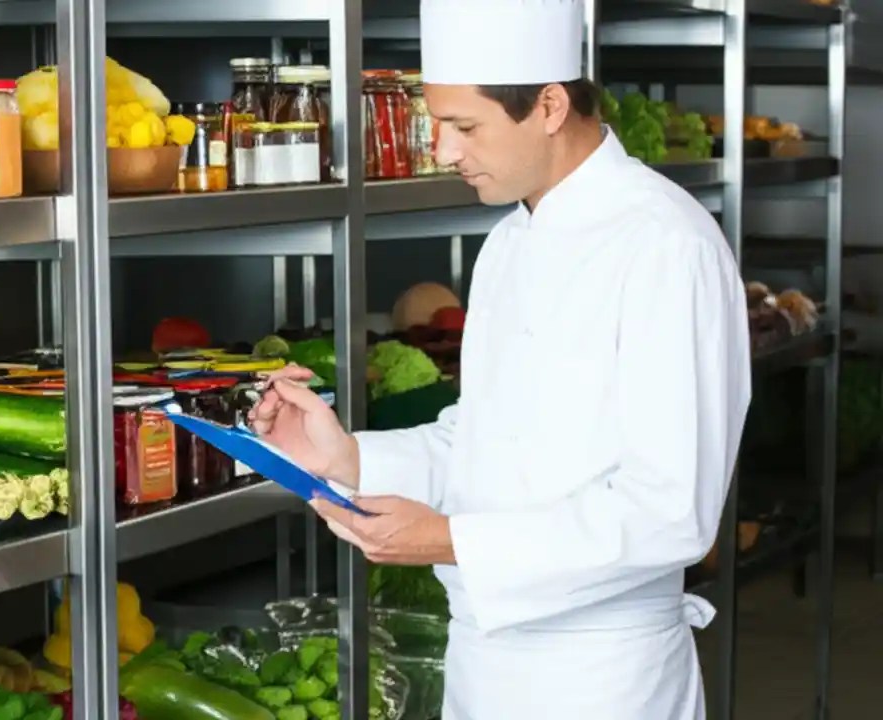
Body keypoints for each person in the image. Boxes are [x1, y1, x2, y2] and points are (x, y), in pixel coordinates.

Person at [248, 0, 753, 717]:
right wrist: (348, 456)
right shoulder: (511, 242)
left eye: (465, 127)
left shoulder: (668, 245)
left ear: (549, 105)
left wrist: (450, 541)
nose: (444, 152)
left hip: (601, 676)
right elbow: (485, 439)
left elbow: (673, 509)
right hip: (484, 663)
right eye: (438, 124)